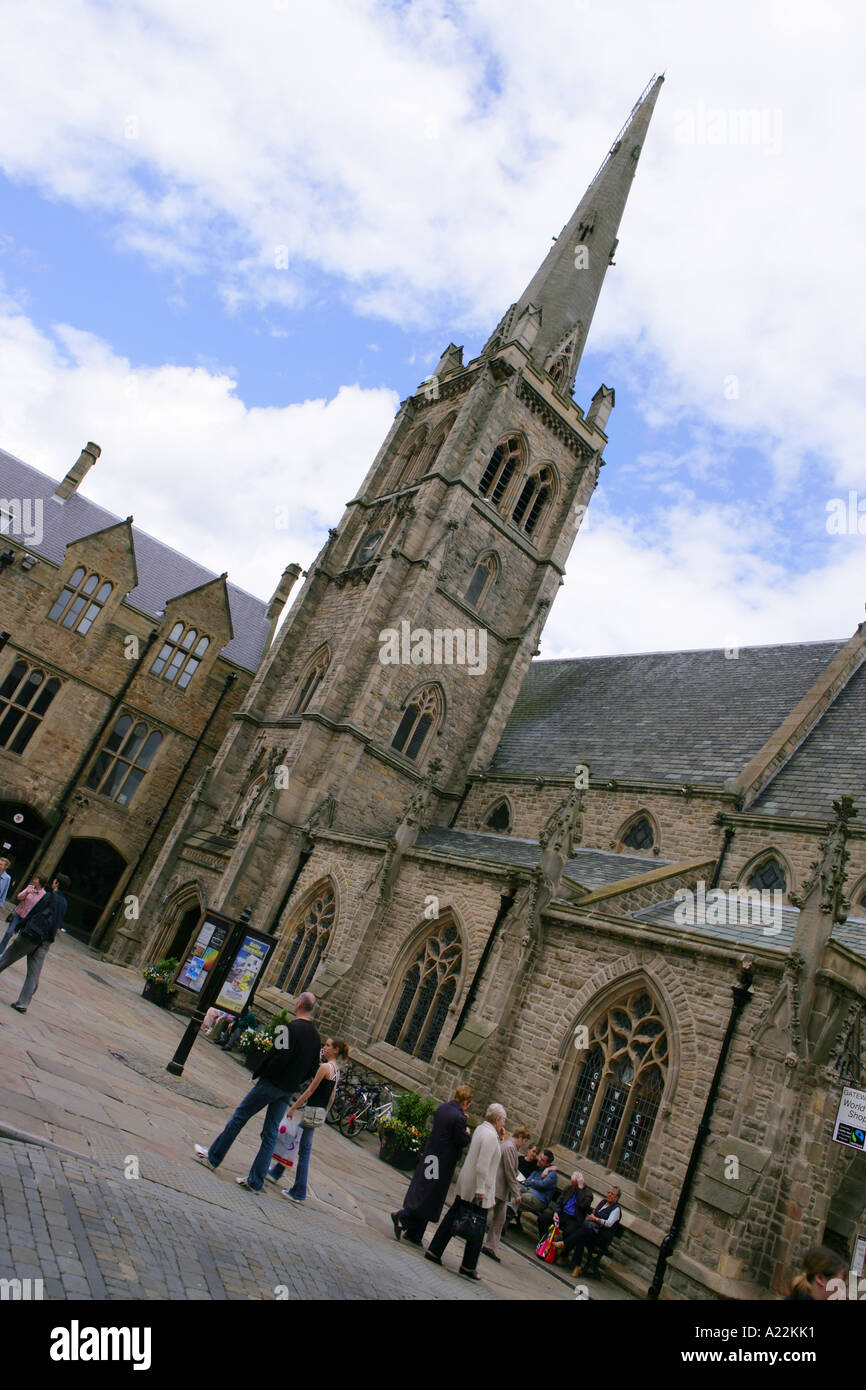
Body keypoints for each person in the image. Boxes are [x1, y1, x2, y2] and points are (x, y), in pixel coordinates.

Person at [194, 991, 321, 1192]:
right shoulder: (316, 1038)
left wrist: (265, 1073)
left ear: (298, 1005)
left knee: (240, 1117)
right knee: (270, 1133)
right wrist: (294, 1081)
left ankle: (213, 1158)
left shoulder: (288, 1028)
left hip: (271, 1084)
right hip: (287, 1091)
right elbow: (313, 1069)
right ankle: (255, 1181)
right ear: (312, 1009)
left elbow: (277, 1057)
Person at [425, 1102, 505, 1281]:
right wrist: (480, 1189)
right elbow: (483, 1165)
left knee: (454, 1216)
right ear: (498, 1119)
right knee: (477, 1226)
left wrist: (499, 1139)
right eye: (503, 1120)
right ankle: (468, 1266)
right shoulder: (490, 1136)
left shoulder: (483, 1130)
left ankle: (436, 1250)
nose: (504, 1124)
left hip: (468, 1183)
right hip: (478, 1188)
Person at [265, 1036, 349, 1204]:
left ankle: (299, 1191)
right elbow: (331, 1095)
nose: (324, 1047)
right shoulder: (336, 1070)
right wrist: (325, 1112)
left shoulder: (325, 1067)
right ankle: (277, 1172)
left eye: (328, 1045)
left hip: (311, 1111)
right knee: (296, 1142)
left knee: (304, 1151)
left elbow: (310, 1090)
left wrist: (293, 1107)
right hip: (318, 1112)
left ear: (335, 1050)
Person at [391, 1085, 473, 1246]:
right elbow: (462, 1140)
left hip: (431, 1156)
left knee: (426, 1191)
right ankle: (403, 1217)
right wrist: (467, 1132)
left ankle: (415, 1233)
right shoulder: (459, 1118)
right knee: (430, 1195)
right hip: (442, 1162)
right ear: (465, 1101)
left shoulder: (443, 1108)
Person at [0, 873, 69, 1013]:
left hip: (32, 935)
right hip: (46, 941)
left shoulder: (49, 896)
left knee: (7, 958)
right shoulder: (64, 903)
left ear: (56, 883)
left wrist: (20, 926)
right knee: (33, 973)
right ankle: (23, 1003)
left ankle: (23, 1002)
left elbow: (34, 912)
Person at [482, 1123, 532, 1262]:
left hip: (500, 1189)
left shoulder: (510, 1147)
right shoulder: (510, 1147)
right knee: (493, 1217)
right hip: (499, 1187)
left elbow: (512, 1169)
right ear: (520, 1137)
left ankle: (490, 1246)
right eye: (525, 1141)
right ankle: (488, 1245)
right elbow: (509, 1171)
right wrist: (516, 1193)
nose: (524, 1144)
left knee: (499, 1219)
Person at [570, 1185, 622, 1275]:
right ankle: (577, 1266)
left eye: (612, 1194)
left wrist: (595, 1219)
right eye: (608, 1192)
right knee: (582, 1235)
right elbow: (594, 1212)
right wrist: (592, 1216)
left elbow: (609, 1223)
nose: (609, 1195)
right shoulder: (603, 1202)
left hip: (602, 1236)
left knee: (583, 1232)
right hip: (593, 1231)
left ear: (617, 1198)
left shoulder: (616, 1209)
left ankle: (565, 1246)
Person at [551, 1172, 594, 1263]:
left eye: (575, 1186)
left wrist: (580, 1190)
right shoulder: (569, 1188)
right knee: (543, 1219)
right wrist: (556, 1212)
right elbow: (559, 1201)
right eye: (572, 1184)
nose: (573, 1187)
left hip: (574, 1219)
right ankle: (549, 1247)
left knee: (568, 1232)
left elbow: (582, 1205)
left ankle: (563, 1256)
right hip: (562, 1214)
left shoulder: (587, 1194)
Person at [0, 873, 45, 955]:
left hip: (28, 919)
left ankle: (8, 955)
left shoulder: (43, 895)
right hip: (18, 914)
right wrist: (26, 892)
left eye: (36, 879)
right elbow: (19, 897)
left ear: (40, 882)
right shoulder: (30, 887)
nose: (34, 880)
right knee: (9, 933)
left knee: (19, 939)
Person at [515, 1148, 558, 1232]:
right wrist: (535, 1182)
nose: (539, 1160)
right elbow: (527, 1182)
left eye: (542, 1160)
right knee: (514, 1187)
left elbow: (543, 1185)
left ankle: (503, 1224)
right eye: (540, 1157)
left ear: (547, 1164)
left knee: (519, 1197)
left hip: (539, 1199)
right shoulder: (538, 1169)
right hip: (529, 1190)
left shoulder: (552, 1174)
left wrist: (534, 1182)